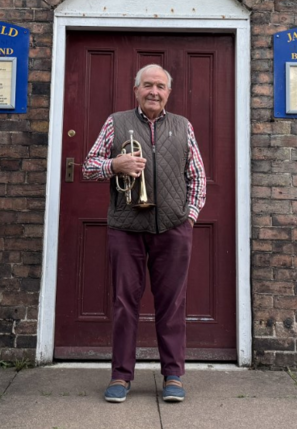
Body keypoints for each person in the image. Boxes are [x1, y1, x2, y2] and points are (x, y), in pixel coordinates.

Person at [82, 64, 206, 404]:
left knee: (173, 305)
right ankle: (121, 376)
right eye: (147, 85)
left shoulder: (183, 126)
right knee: (124, 304)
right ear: (136, 90)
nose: (154, 91)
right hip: (126, 228)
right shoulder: (115, 122)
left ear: (169, 92)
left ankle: (173, 376)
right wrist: (115, 165)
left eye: (160, 86)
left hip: (173, 228)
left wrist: (190, 218)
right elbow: (88, 166)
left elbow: (197, 177)